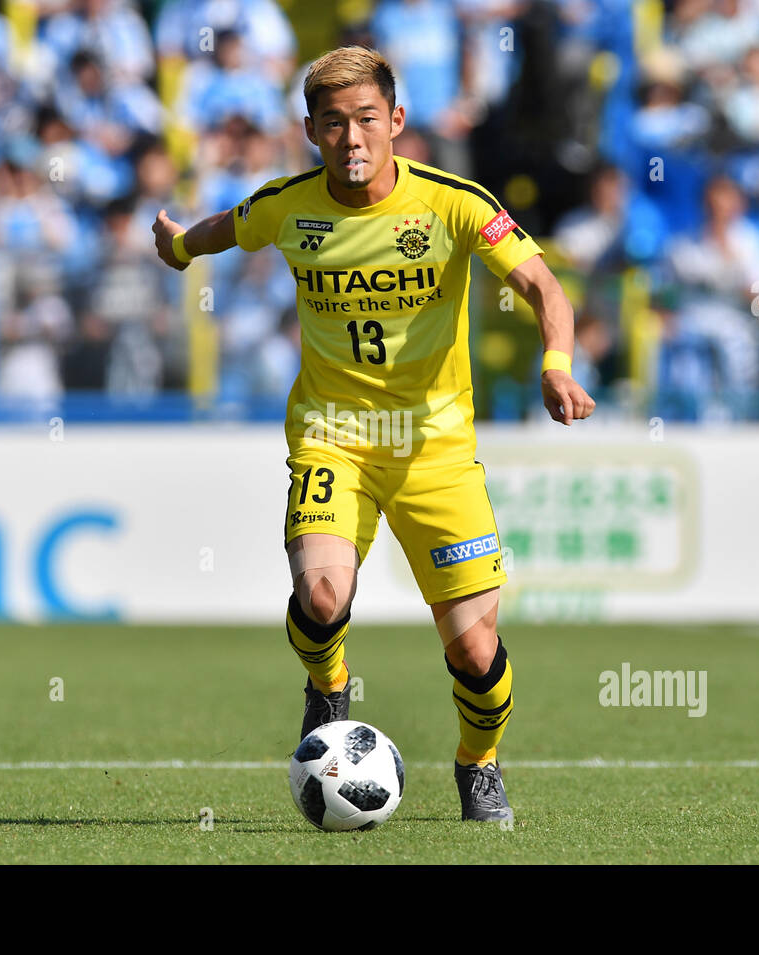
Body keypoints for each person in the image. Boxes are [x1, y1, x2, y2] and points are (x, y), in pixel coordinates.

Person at [152, 46, 594, 822]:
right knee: (320, 594)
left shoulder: (454, 203)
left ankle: (477, 762)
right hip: (334, 436)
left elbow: (541, 283)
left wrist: (556, 362)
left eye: (364, 120)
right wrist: (184, 245)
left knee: (475, 653)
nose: (351, 138)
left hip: (437, 450)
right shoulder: (290, 206)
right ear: (312, 133)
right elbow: (236, 225)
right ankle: (328, 684)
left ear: (394, 121)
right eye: (332, 124)